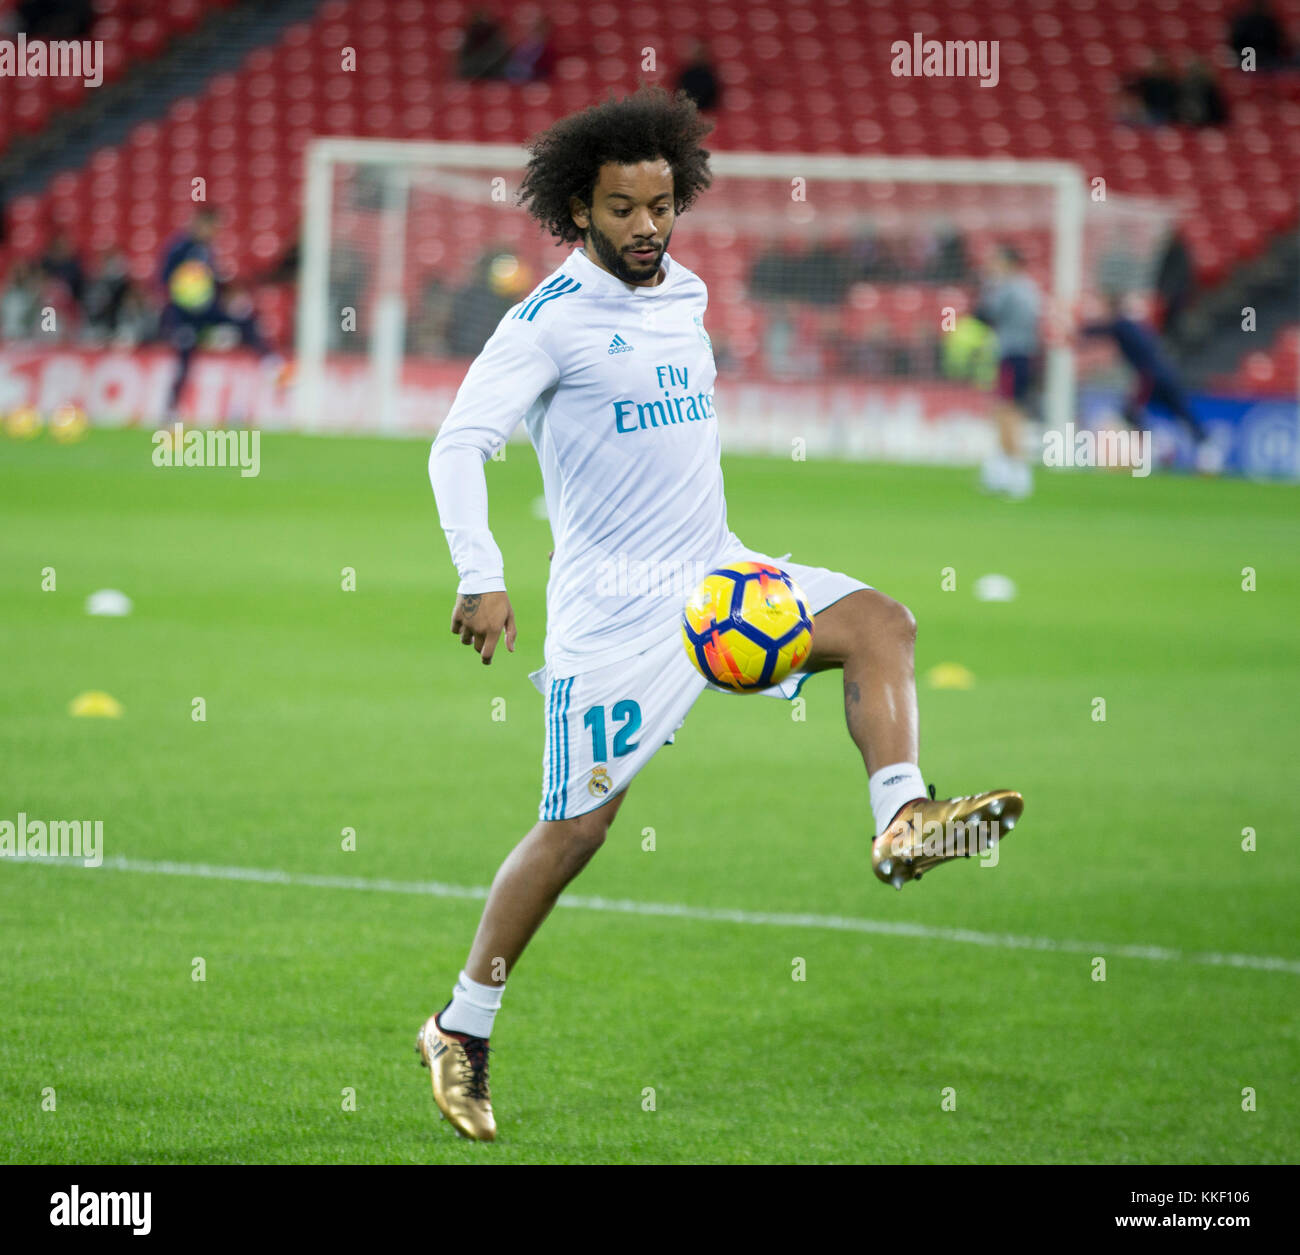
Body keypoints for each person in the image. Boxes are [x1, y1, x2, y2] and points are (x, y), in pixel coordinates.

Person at [420, 86, 1025, 1142]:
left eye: (662, 204)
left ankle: (901, 818)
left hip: (716, 578)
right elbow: (457, 443)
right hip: (613, 615)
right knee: (577, 828)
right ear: (577, 209)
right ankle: (460, 1026)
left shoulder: (684, 291)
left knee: (882, 622)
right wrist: (481, 573)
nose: (648, 226)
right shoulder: (545, 324)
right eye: (622, 208)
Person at [1080, 293, 1218, 471]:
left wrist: (1079, 332)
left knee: (1131, 413)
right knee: (1182, 413)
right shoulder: (1134, 325)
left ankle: (1161, 448)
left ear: (1111, 308)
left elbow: (1103, 330)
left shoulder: (1122, 324)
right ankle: (1205, 451)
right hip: (1167, 373)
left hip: (1151, 377)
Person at [158, 207, 274, 419]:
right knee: (184, 360)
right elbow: (164, 280)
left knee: (245, 319)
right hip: (183, 314)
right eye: (212, 227)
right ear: (199, 224)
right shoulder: (179, 248)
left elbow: (212, 282)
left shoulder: (207, 250)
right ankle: (171, 409)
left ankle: (270, 363)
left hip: (208, 311)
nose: (214, 232)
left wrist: (227, 291)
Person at [973, 244, 1042, 500]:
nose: (992, 267)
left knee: (1007, 412)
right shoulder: (1030, 288)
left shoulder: (1008, 288)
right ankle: (1001, 472)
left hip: (1011, 356)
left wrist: (987, 287)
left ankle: (1017, 473)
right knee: (1007, 410)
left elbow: (984, 314)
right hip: (1024, 356)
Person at [675, 40, 722, 112]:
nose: (700, 56)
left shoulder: (712, 74)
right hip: (688, 110)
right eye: (698, 53)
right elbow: (679, 93)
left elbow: (715, 98)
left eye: (702, 53)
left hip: (707, 111)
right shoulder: (685, 73)